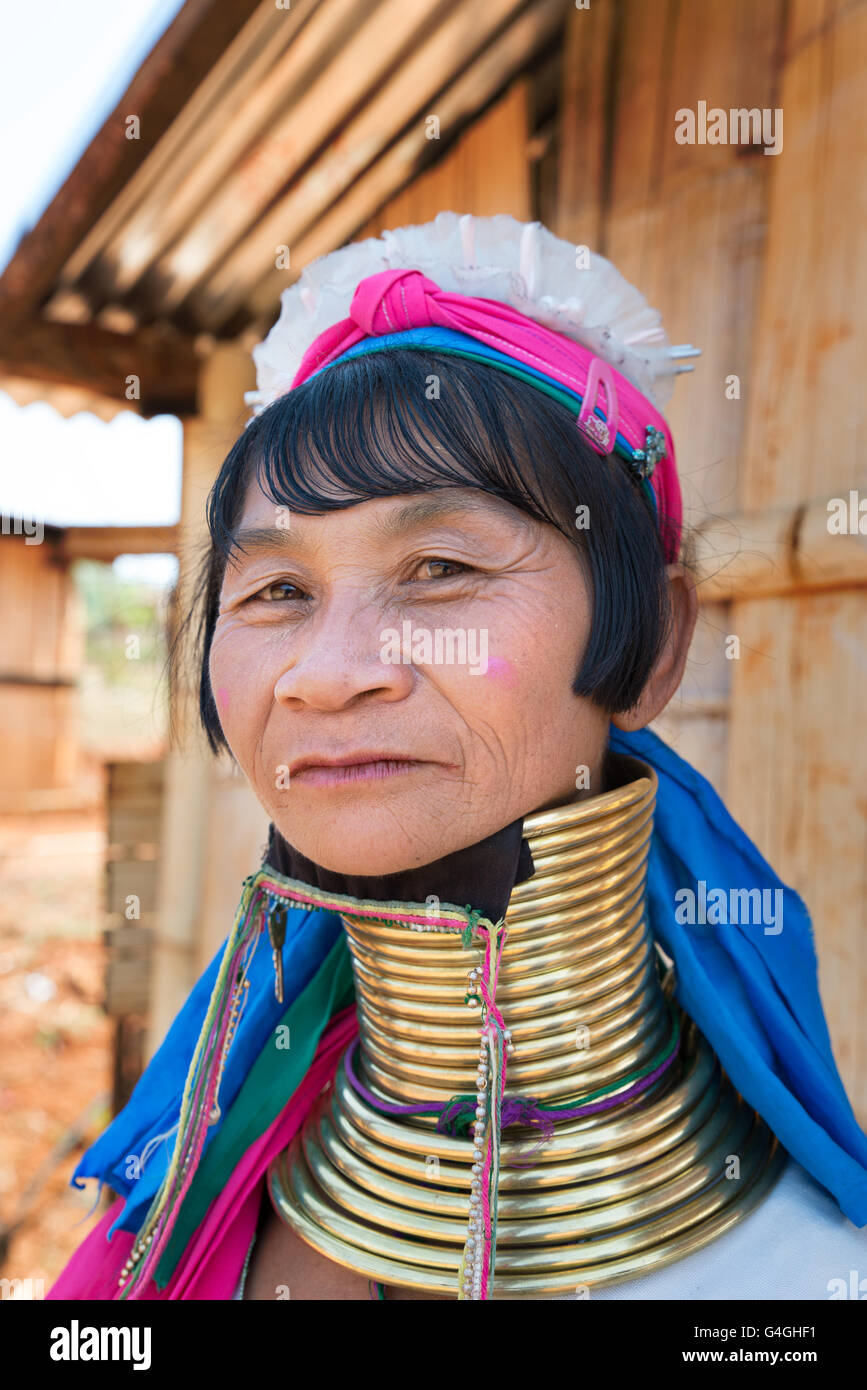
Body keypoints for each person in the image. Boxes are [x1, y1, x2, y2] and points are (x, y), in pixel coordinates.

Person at [49, 213, 867, 1301]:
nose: (328, 674)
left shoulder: (808, 1285)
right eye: (278, 591)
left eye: (439, 566)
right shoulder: (187, 1211)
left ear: (658, 642)